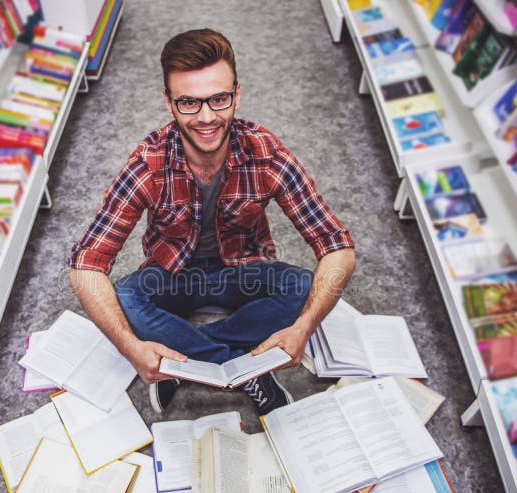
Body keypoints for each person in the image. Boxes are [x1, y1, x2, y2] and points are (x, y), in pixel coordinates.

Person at [69, 28, 355, 415]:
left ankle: (181, 359)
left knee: (303, 285)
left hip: (243, 270)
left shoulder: (266, 154)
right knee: (127, 297)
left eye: (218, 99)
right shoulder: (147, 163)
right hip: (173, 274)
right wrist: (132, 349)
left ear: (237, 94)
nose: (206, 118)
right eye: (189, 102)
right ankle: (245, 366)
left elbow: (336, 247)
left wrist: (303, 328)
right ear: (169, 103)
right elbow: (86, 266)